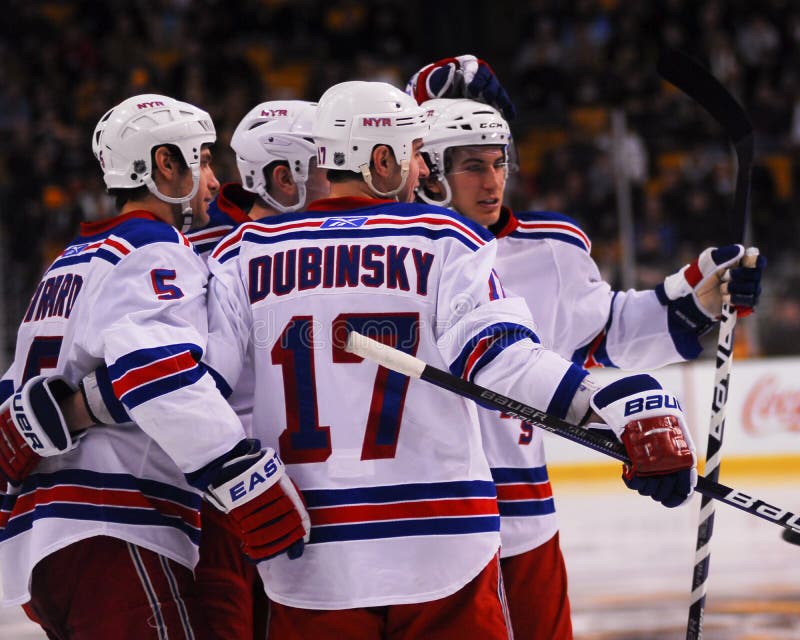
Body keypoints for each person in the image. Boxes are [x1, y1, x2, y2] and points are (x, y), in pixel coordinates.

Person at [201, 79, 699, 640]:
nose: (423, 172)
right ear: (381, 159)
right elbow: (503, 360)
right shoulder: (443, 239)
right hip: (441, 543)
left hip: (313, 557)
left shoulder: (242, 254)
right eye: (415, 154)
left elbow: (198, 391)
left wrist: (241, 481)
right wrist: (613, 403)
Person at [413, 95, 765, 639]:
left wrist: (696, 301)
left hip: (525, 517)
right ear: (431, 171)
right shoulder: (390, 255)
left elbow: (607, 332)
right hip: (426, 520)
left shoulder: (550, 250)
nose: (493, 181)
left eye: (499, 162)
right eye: (473, 165)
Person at [0, 94, 309, 639]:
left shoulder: (67, 262)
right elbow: (156, 376)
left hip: (45, 536)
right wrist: (240, 475)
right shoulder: (152, 246)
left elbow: (18, 407)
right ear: (164, 163)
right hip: (117, 525)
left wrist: (71, 410)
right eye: (204, 160)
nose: (214, 182)